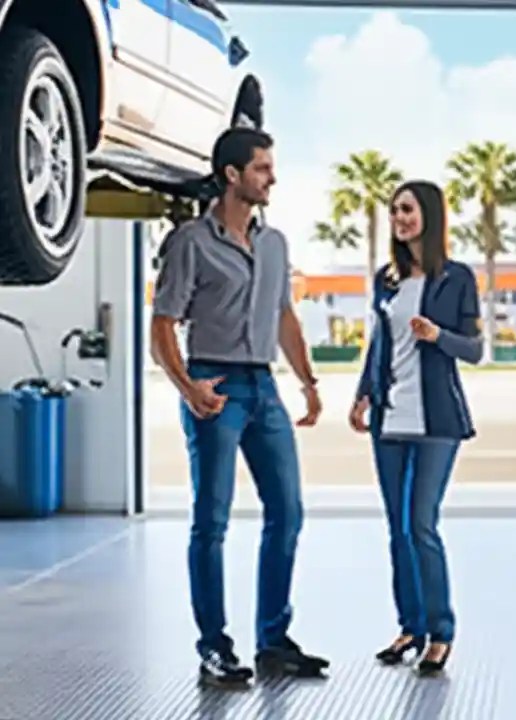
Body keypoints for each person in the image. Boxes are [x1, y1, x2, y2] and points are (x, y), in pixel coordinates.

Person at [151, 127, 329, 687]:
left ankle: (273, 641)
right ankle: (214, 649)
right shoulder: (190, 243)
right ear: (232, 175)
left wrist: (308, 381)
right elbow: (162, 326)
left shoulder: (274, 243)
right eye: (261, 169)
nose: (271, 178)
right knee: (212, 521)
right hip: (215, 386)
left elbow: (283, 317)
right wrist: (189, 387)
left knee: (288, 513)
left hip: (266, 390)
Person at [348, 180, 483, 676]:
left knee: (420, 524)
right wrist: (363, 393)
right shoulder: (386, 279)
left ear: (428, 214)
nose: (399, 219)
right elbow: (378, 345)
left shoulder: (458, 278)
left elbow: (474, 349)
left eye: (406, 209)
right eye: (394, 211)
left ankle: (441, 632)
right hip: (390, 415)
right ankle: (410, 627)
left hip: (437, 420)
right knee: (397, 530)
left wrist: (437, 335)